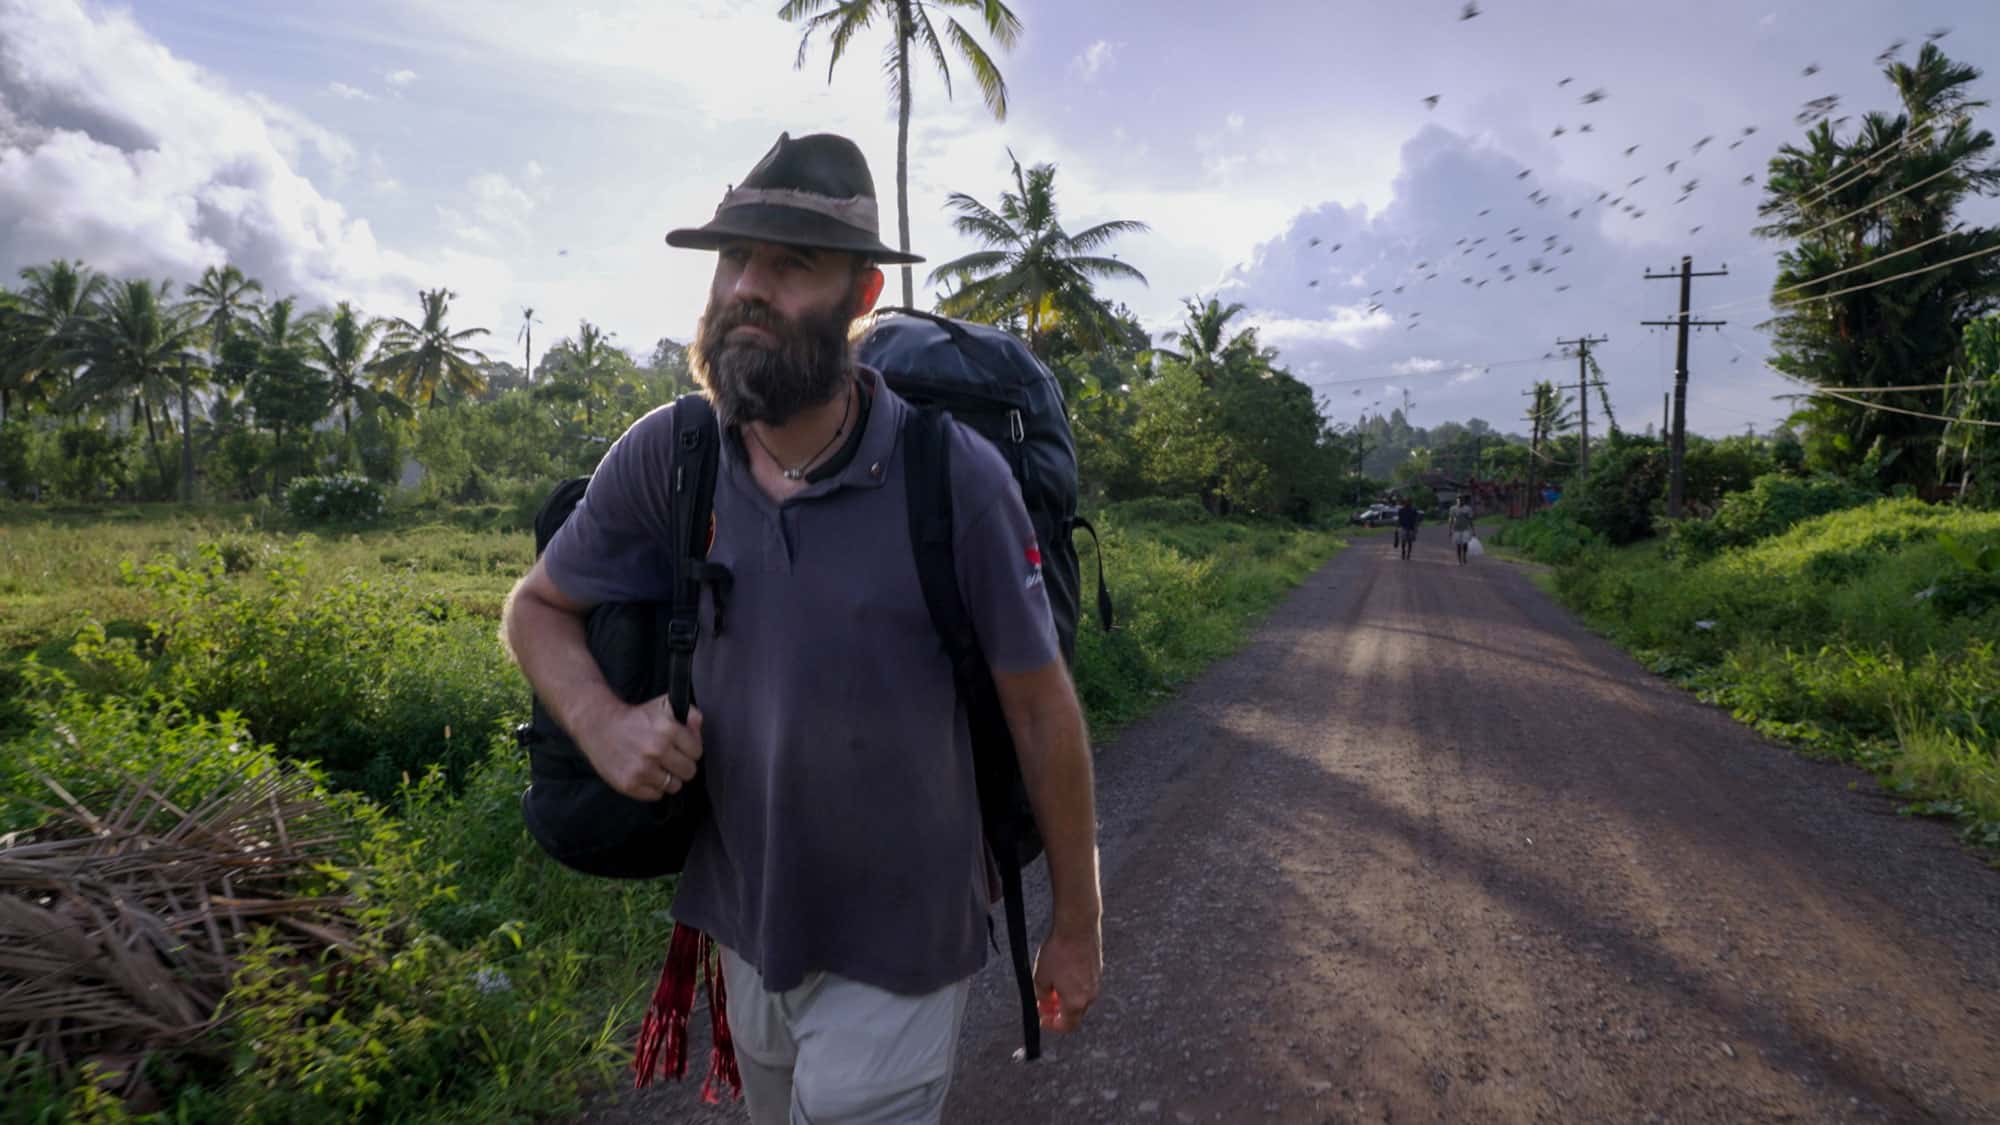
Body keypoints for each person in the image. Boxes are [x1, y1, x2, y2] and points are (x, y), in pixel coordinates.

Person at [499, 132, 1103, 1124]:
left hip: (908, 937)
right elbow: (536, 609)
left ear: (860, 297)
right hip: (748, 921)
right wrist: (602, 723)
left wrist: (1078, 929)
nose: (747, 286)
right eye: (734, 258)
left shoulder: (951, 479)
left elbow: (1042, 714)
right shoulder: (674, 454)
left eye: (791, 265)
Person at [1448, 496, 1478, 565]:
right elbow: (1451, 519)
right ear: (1456, 501)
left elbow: (1470, 520)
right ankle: (1459, 560)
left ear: (1464, 501)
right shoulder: (1453, 509)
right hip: (1456, 529)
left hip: (1465, 529)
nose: (1460, 502)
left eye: (1461, 500)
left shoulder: (1468, 509)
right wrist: (1449, 530)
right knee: (1458, 545)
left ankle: (1464, 556)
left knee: (1465, 544)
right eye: (1458, 500)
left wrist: (1473, 530)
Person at [1396, 495, 1420, 561]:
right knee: (1403, 542)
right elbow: (1399, 519)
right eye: (1406, 502)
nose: (1407, 503)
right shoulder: (1401, 510)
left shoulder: (1413, 510)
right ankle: (1403, 552)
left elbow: (1416, 520)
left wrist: (1416, 528)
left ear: (1410, 502)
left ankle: (1408, 554)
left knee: (1410, 542)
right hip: (1403, 527)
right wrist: (1397, 527)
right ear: (1404, 502)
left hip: (1411, 528)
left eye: (1408, 502)